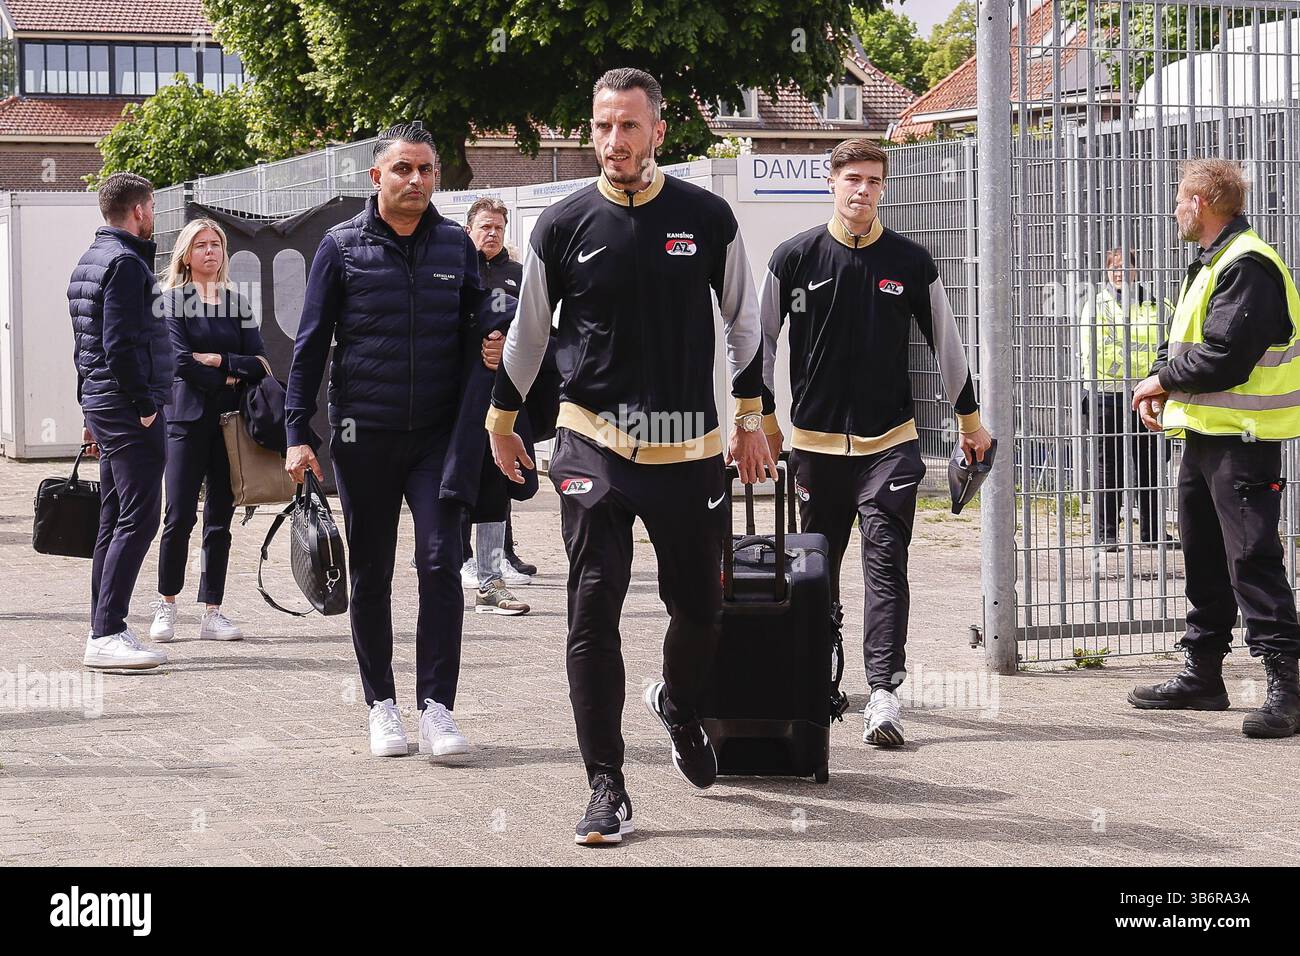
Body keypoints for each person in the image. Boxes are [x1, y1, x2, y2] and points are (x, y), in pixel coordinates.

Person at [487, 67, 775, 845]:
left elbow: (745, 324)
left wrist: (751, 417)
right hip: (593, 447)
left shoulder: (706, 218)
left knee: (699, 610)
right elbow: (530, 334)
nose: (615, 141)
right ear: (592, 131)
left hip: (691, 451)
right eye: (603, 126)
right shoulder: (561, 223)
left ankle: (677, 705)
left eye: (630, 126)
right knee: (593, 611)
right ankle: (606, 787)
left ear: (659, 132)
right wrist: (501, 419)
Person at [759, 138, 993, 748]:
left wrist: (970, 421)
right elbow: (759, 341)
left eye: (874, 181)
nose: (863, 190)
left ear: (884, 188)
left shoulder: (911, 262)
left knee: (886, 564)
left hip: (890, 444)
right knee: (817, 570)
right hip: (814, 446)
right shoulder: (794, 258)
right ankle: (820, 678)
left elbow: (948, 345)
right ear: (831, 182)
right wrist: (758, 418)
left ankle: (884, 693)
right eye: (852, 179)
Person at [285, 123, 491, 759]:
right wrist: (298, 433)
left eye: (426, 169)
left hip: (436, 439)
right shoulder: (340, 247)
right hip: (362, 437)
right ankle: (382, 706)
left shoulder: (457, 247)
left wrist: (491, 342)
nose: (416, 181)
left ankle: (437, 709)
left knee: (439, 567)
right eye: (403, 170)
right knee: (371, 573)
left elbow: (479, 329)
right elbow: (311, 344)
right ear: (376, 177)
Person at [1129, 158, 1300, 739]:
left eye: (1180, 198)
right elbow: (1188, 340)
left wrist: (1160, 381)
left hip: (1244, 442)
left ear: (1200, 202)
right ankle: (1203, 676)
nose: (1175, 209)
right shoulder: (1212, 262)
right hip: (1206, 436)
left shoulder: (1248, 263)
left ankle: (1286, 688)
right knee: (1203, 556)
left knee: (1251, 558)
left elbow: (1228, 353)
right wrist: (1161, 379)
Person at [69, 172, 173, 671]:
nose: (153, 215)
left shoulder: (90, 260)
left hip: (103, 405)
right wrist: (146, 405)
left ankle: (104, 625)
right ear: (138, 211)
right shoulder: (127, 264)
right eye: (152, 207)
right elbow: (118, 345)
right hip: (129, 409)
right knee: (140, 517)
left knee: (114, 516)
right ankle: (106, 632)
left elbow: (83, 348)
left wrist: (87, 409)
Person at [148, 218, 268, 643]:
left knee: (220, 518)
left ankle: (212, 610)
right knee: (178, 513)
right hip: (185, 420)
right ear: (186, 254)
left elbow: (258, 362)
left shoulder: (238, 302)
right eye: (200, 245)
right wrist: (228, 372)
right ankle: (166, 603)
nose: (210, 251)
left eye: (215, 244)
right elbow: (179, 362)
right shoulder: (171, 302)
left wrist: (219, 361)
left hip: (230, 425)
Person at [461, 197, 530, 613]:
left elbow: (536, 327)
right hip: (454, 394)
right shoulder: (452, 269)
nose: (492, 234)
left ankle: (490, 576)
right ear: (468, 229)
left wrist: (505, 346)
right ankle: (453, 561)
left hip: (501, 396)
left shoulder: (518, 275)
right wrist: (479, 341)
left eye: (499, 228)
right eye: (485, 226)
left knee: (494, 482)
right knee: (450, 484)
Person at [1080, 247, 1172, 550]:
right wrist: (1143, 374)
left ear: (1136, 269)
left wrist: (1152, 380)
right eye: (1113, 268)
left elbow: (1171, 347)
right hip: (1108, 395)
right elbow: (1097, 354)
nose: (1119, 273)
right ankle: (1106, 534)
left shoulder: (1159, 305)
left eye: (1124, 266)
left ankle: (1152, 533)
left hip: (1149, 396)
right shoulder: (1096, 306)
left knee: (1151, 465)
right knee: (1110, 468)